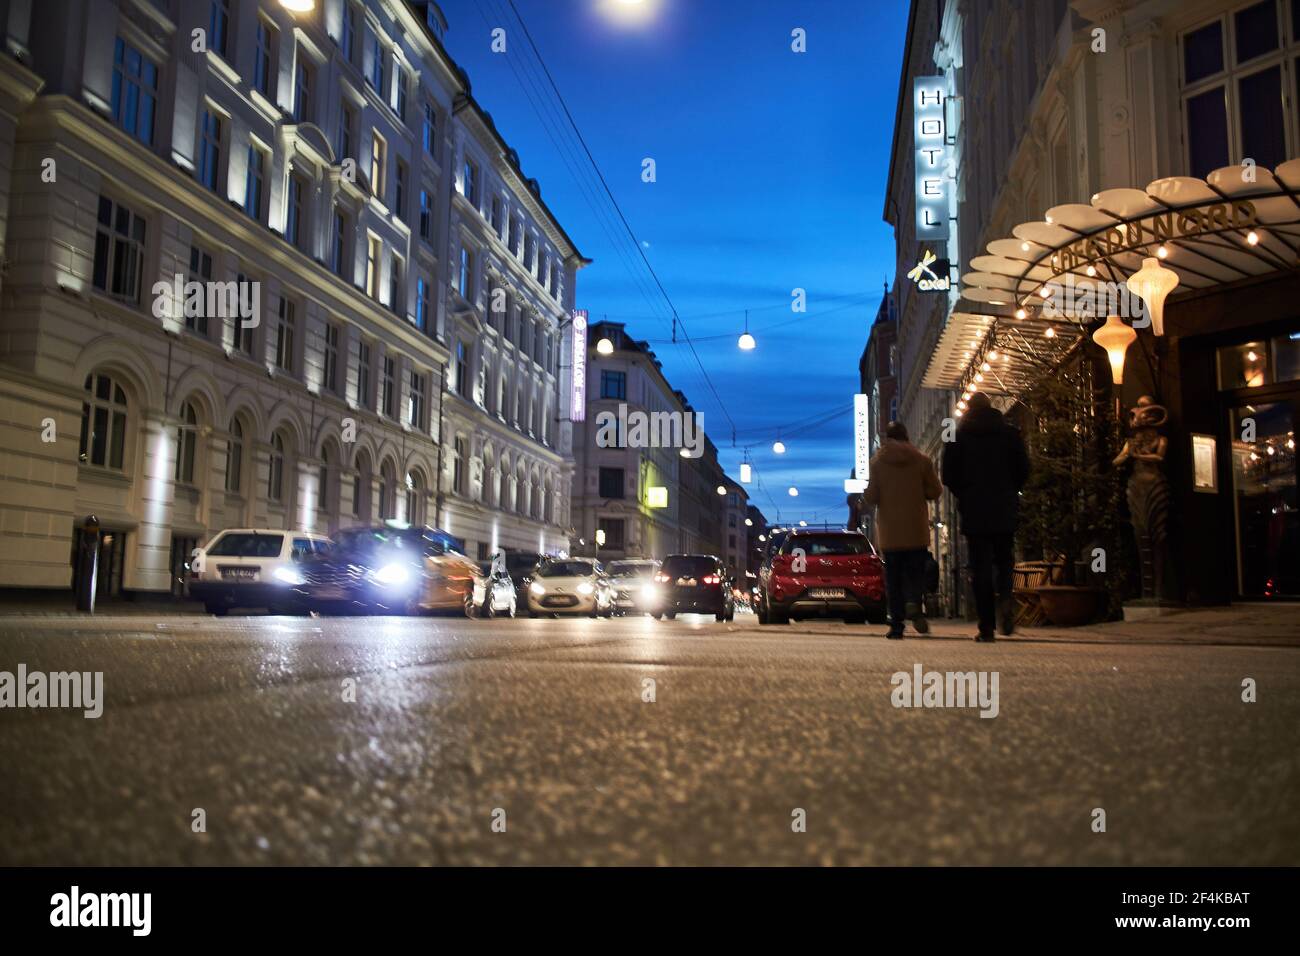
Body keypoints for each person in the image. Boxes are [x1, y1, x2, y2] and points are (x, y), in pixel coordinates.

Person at [941, 392, 1030, 642]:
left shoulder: (957, 437)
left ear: (968, 409)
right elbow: (1024, 469)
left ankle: (986, 627)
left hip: (974, 509)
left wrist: (965, 493)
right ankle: (1006, 600)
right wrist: (1011, 490)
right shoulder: (1010, 434)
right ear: (991, 408)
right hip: (1004, 506)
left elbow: (948, 476)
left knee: (979, 567)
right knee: (1004, 561)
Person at [863, 421, 942, 638]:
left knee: (894, 579)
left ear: (887, 438)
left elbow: (871, 496)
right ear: (907, 437)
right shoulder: (922, 460)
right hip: (916, 530)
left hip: (890, 532)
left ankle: (896, 625)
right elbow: (935, 491)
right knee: (915, 575)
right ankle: (914, 604)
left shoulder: (877, 463)